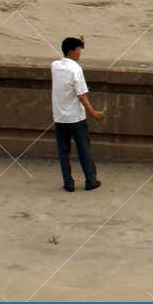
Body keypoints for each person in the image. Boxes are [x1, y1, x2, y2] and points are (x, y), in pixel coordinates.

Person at [51, 36, 103, 193]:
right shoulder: (76, 69)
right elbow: (81, 94)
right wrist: (93, 113)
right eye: (79, 49)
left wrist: (80, 44)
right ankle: (90, 181)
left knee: (63, 151)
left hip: (59, 117)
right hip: (76, 118)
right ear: (72, 51)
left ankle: (68, 183)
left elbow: (63, 62)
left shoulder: (55, 66)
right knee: (84, 150)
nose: (80, 52)